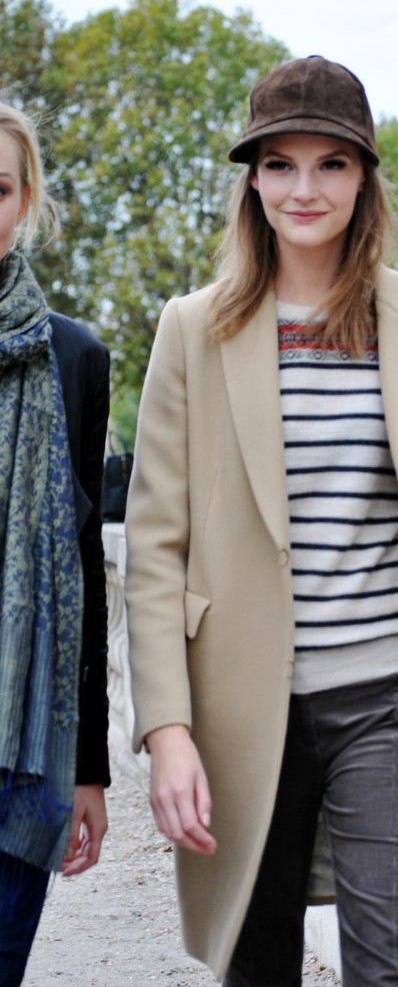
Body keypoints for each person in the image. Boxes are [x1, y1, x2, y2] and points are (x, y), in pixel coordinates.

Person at [125, 56, 398, 987]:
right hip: (236, 708)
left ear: (365, 178)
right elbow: (155, 547)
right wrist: (167, 731)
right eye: (280, 164)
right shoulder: (192, 329)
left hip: (390, 699)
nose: (305, 189)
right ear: (253, 182)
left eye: (331, 163)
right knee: (257, 967)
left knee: (392, 969)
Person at [0, 100, 110, 985]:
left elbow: (86, 572)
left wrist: (90, 771)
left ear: (26, 200)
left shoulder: (75, 360)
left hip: (27, 751)